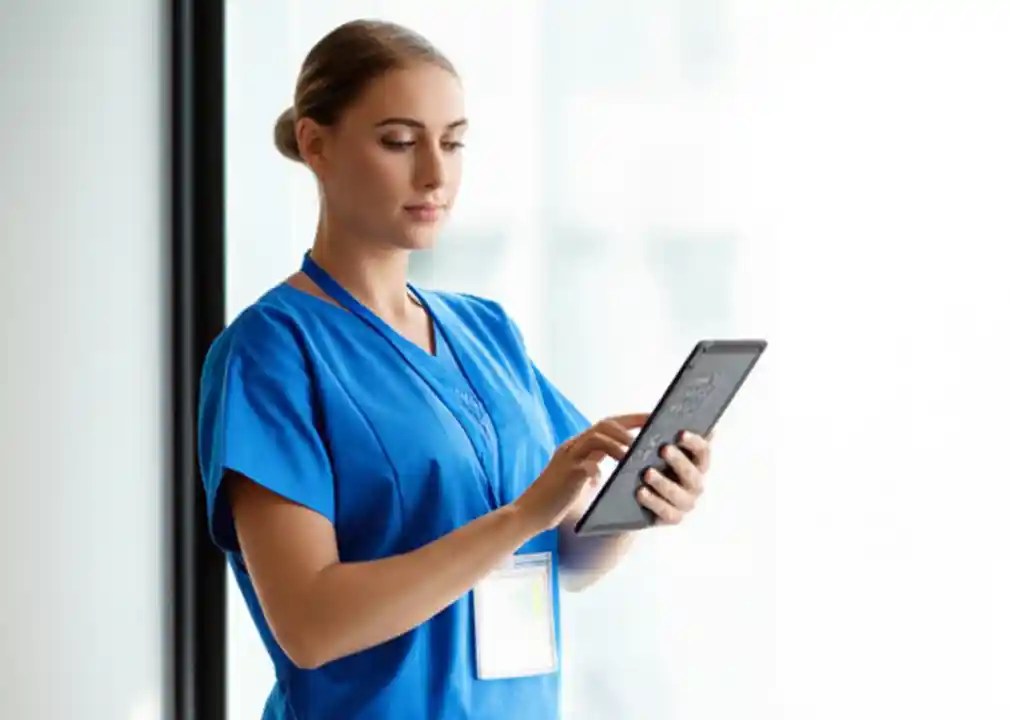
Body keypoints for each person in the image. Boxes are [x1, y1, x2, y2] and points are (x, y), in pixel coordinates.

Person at [196, 18, 716, 720]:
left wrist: (635, 511)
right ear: (317, 145)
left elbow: (564, 560)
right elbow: (311, 625)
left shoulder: (487, 331)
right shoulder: (273, 352)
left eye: (453, 142)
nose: (435, 174)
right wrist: (521, 514)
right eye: (400, 142)